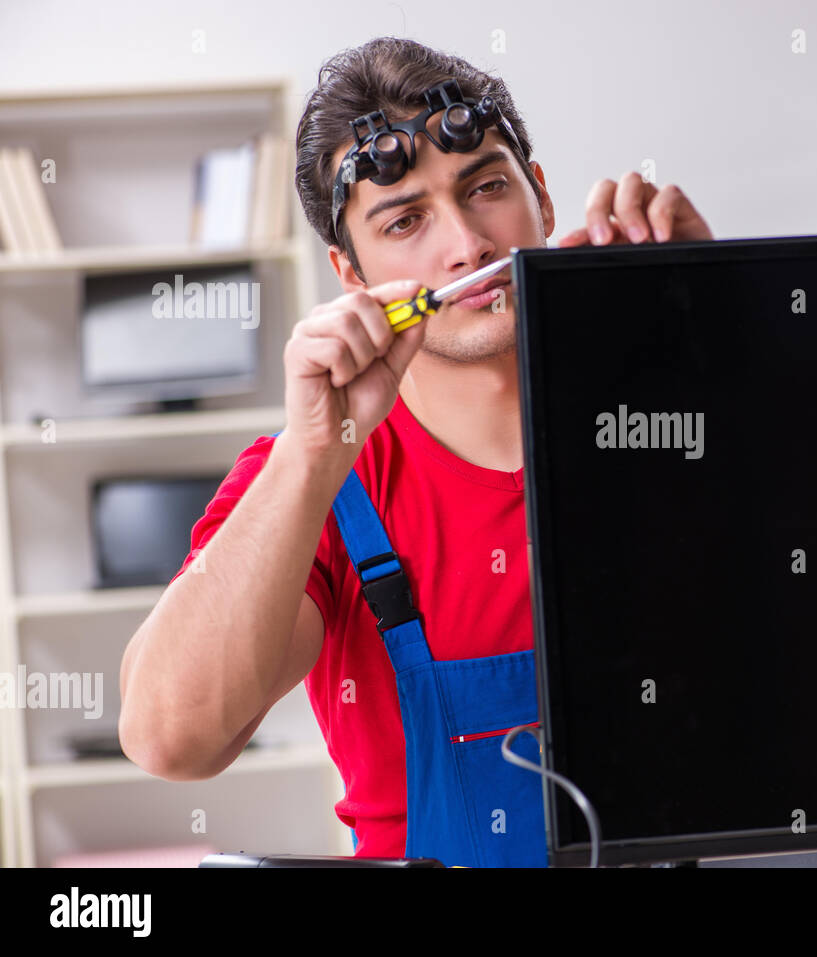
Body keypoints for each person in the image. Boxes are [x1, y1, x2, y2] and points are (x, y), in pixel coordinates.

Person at [118, 36, 713, 866]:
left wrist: (724, 328)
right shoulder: (314, 474)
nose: (467, 244)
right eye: (405, 220)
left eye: (488, 188)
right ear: (351, 274)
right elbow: (170, 740)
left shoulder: (682, 409)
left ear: (540, 198)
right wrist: (312, 459)